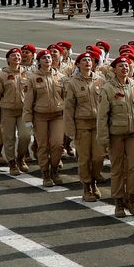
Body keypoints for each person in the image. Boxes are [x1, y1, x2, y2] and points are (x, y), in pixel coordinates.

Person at [96, 56, 134, 217]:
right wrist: (103, 139)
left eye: (127, 65)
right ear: (114, 69)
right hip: (115, 134)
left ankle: (130, 198)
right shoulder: (107, 89)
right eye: (121, 66)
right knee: (117, 169)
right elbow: (102, 116)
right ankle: (118, 202)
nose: (125, 68)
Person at [23, 50, 68, 185]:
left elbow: (66, 98)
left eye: (49, 57)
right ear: (39, 61)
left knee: (57, 145)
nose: (47, 59)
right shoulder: (32, 78)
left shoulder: (61, 77)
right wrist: (27, 119)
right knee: (42, 146)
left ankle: (54, 170)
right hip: (40, 116)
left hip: (58, 116)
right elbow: (28, 100)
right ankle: (45, 174)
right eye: (44, 58)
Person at [65, 52, 104, 202]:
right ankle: (87, 186)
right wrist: (70, 130)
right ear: (78, 64)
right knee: (84, 158)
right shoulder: (72, 83)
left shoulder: (100, 80)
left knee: (99, 157)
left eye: (90, 60)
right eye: (84, 60)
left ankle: (94, 181)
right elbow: (68, 108)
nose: (88, 62)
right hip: (81, 125)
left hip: (98, 125)